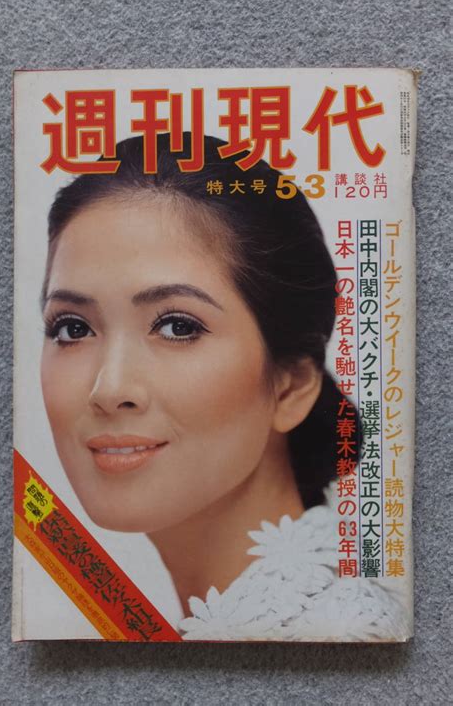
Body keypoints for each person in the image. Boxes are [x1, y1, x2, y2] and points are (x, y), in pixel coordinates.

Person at [40, 133, 407, 641]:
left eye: (177, 326)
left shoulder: (343, 632)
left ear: (291, 385)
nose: (109, 388)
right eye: (73, 328)